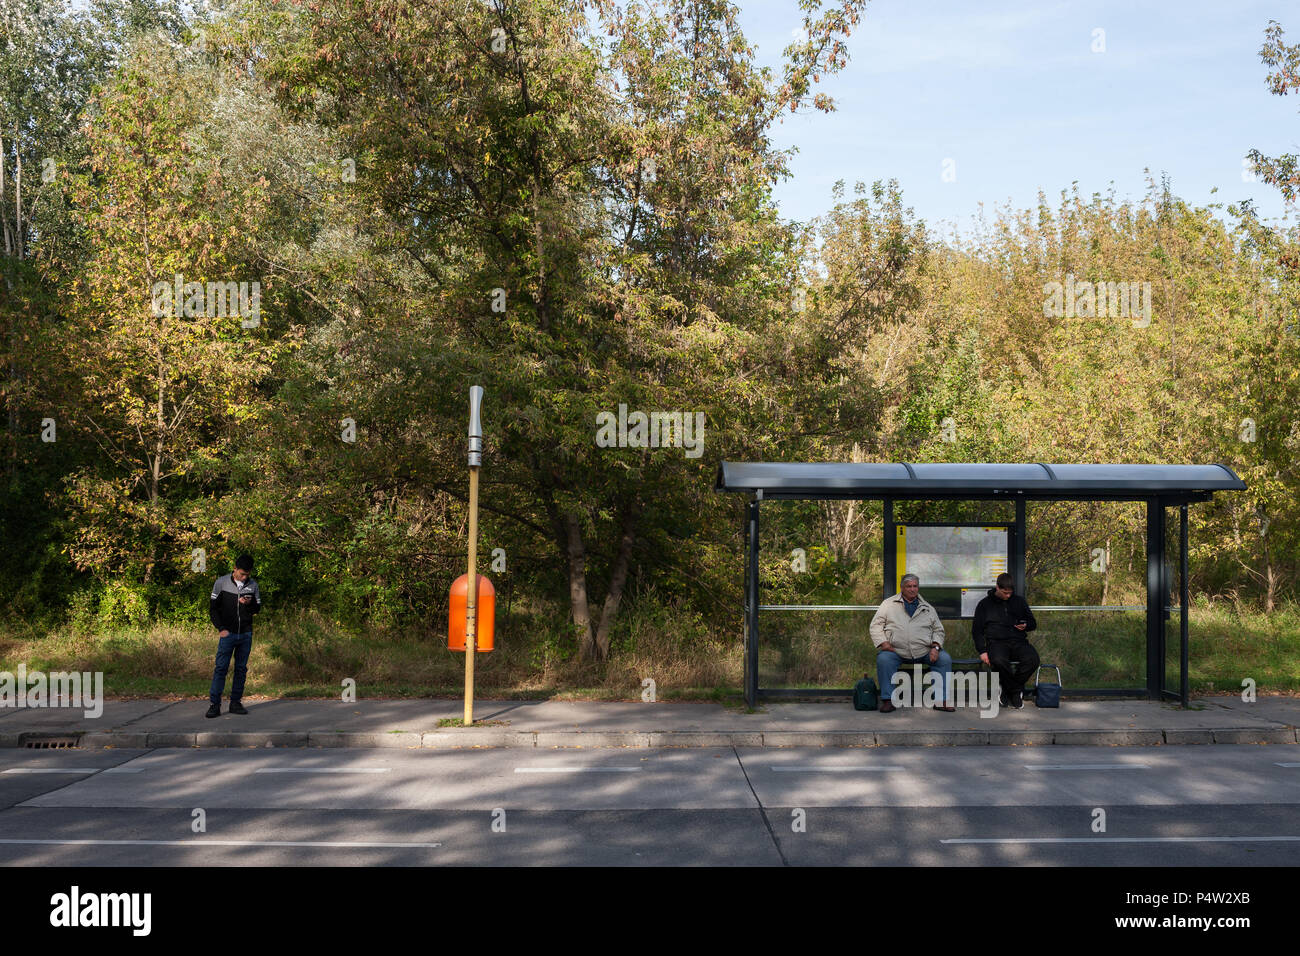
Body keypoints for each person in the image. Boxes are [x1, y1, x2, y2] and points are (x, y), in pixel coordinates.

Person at [869, 573, 955, 712]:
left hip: (924, 651)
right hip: (896, 651)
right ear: (902, 587)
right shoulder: (888, 604)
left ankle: (941, 700)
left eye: (915, 586)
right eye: (909, 586)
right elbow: (875, 626)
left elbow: (938, 630)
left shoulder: (927, 607)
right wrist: (883, 643)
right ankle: (888, 700)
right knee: (884, 659)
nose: (912, 589)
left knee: (944, 658)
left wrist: (936, 647)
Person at [972, 572, 1039, 709]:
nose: (1008, 596)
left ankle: (1008, 689)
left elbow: (1033, 623)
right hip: (996, 643)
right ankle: (1015, 691)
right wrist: (982, 651)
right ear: (997, 587)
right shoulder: (984, 604)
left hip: (1018, 642)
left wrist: (1026, 625)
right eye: (1005, 592)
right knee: (998, 660)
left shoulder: (1019, 601)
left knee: (1033, 659)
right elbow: (977, 630)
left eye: (1010, 593)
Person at [207, 554, 262, 718]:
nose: (244, 577)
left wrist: (250, 604)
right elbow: (213, 608)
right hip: (227, 633)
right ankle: (214, 705)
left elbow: (257, 609)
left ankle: (235, 703)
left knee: (240, 669)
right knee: (221, 668)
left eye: (247, 574)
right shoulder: (221, 583)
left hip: (245, 634)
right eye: (242, 574)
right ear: (235, 569)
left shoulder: (253, 586)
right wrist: (220, 628)